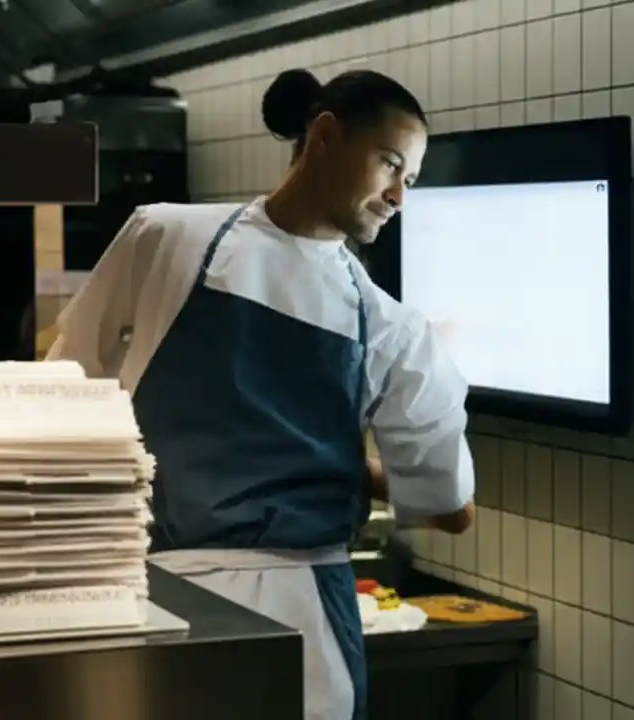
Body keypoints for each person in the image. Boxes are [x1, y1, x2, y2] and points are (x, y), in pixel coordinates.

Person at [47, 68, 475, 720]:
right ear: (325, 134)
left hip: (158, 596)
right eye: (390, 164)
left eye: (409, 180)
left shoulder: (163, 236)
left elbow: (63, 387)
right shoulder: (391, 327)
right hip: (296, 625)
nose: (397, 197)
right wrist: (340, 464)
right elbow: (450, 506)